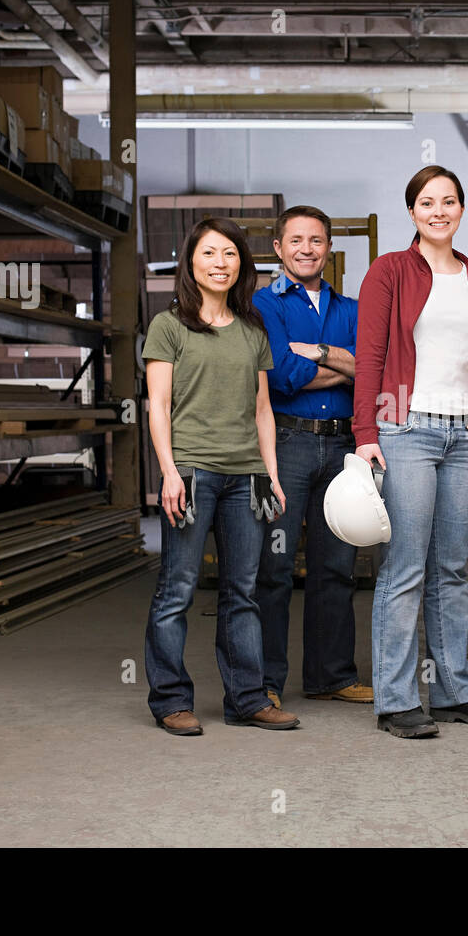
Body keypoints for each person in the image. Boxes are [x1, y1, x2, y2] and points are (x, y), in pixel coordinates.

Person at [354, 165, 468, 738]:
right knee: (404, 567)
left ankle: (453, 690)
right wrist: (366, 432)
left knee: (451, 568)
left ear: (461, 209)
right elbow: (370, 355)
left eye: (449, 201)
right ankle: (397, 701)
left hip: (466, 435)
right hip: (406, 429)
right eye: (427, 202)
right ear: (412, 211)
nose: (439, 210)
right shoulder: (389, 271)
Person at [142, 217, 299, 735]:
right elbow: (158, 406)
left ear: (242, 264)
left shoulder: (253, 330)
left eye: (230, 254)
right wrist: (168, 473)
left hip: (245, 478)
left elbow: (262, 412)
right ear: (191, 262)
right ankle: (171, 702)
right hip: (190, 473)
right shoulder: (169, 326)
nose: (220, 263)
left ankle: (248, 699)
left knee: (243, 591)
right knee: (178, 589)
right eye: (209, 253)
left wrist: (272, 475)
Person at [252, 206, 373, 708]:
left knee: (336, 566)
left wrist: (318, 353)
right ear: (279, 248)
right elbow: (280, 375)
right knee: (275, 566)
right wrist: (346, 363)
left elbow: (374, 368)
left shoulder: (352, 308)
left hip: (343, 447)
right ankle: (265, 683)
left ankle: (332, 675)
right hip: (289, 444)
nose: (307, 249)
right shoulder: (264, 304)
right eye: (296, 240)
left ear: (329, 249)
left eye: (317, 240)